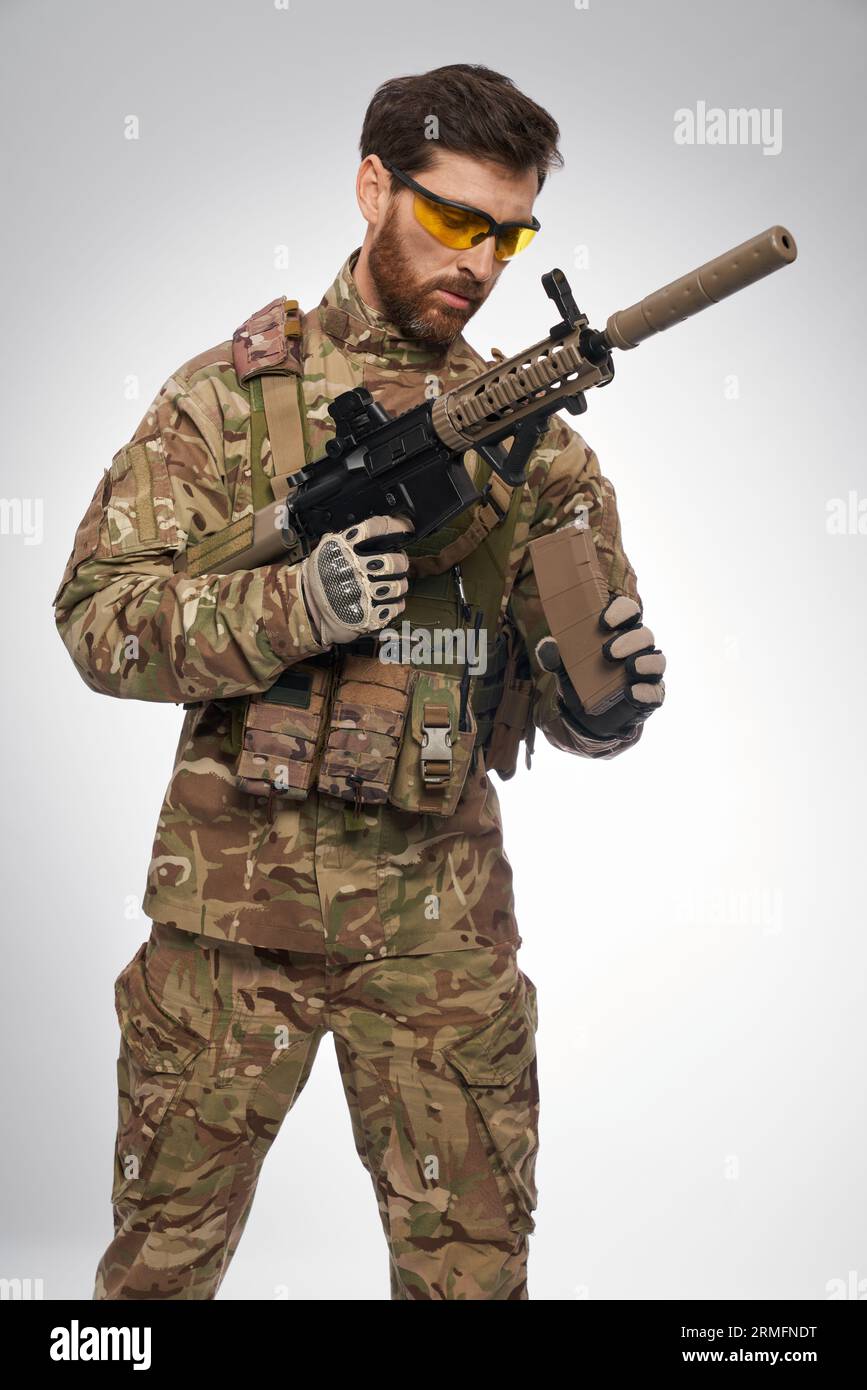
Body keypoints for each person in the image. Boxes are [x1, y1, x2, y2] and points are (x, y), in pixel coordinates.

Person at [53, 63, 665, 1301]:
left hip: (442, 936)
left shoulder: (538, 448)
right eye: (454, 219)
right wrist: (291, 607)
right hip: (228, 937)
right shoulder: (223, 403)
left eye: (512, 233)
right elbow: (96, 618)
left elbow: (577, 687)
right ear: (372, 185)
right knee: (151, 1291)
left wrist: (607, 703)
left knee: (471, 1285)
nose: (482, 262)